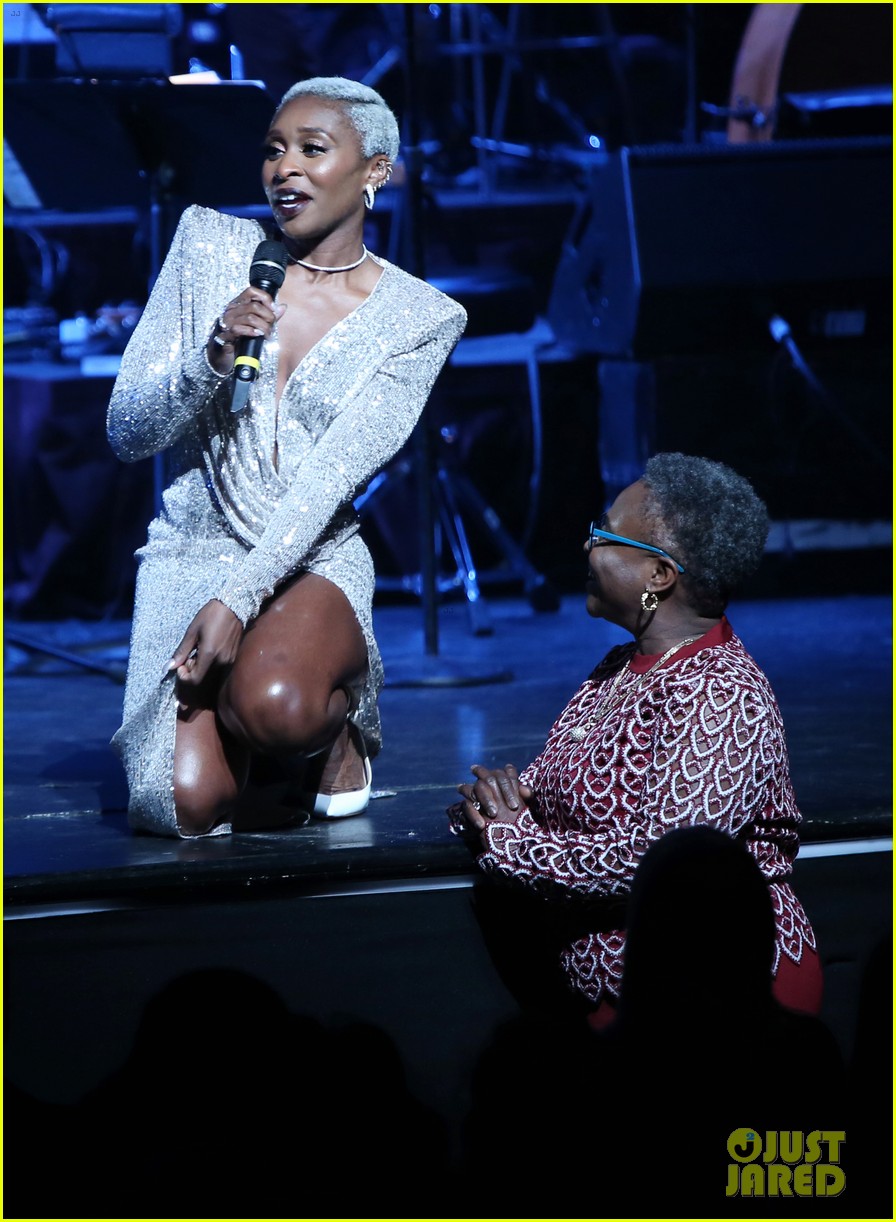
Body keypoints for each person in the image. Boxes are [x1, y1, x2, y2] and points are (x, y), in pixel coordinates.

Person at [108, 77, 466, 837]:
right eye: (273, 151)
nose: (285, 169)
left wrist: (238, 602)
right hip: (193, 546)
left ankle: (334, 728)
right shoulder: (210, 246)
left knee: (276, 708)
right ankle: (260, 743)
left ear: (375, 169)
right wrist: (210, 354)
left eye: (312, 149)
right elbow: (127, 432)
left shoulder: (421, 318)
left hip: (307, 551)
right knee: (181, 807)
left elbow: (335, 474)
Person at [448, 452, 822, 1025]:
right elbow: (555, 796)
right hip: (629, 993)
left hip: (716, 997)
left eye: (603, 534)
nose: (586, 547)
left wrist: (513, 846)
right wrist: (493, 804)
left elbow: (660, 862)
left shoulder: (722, 693)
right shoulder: (620, 667)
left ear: (658, 576)